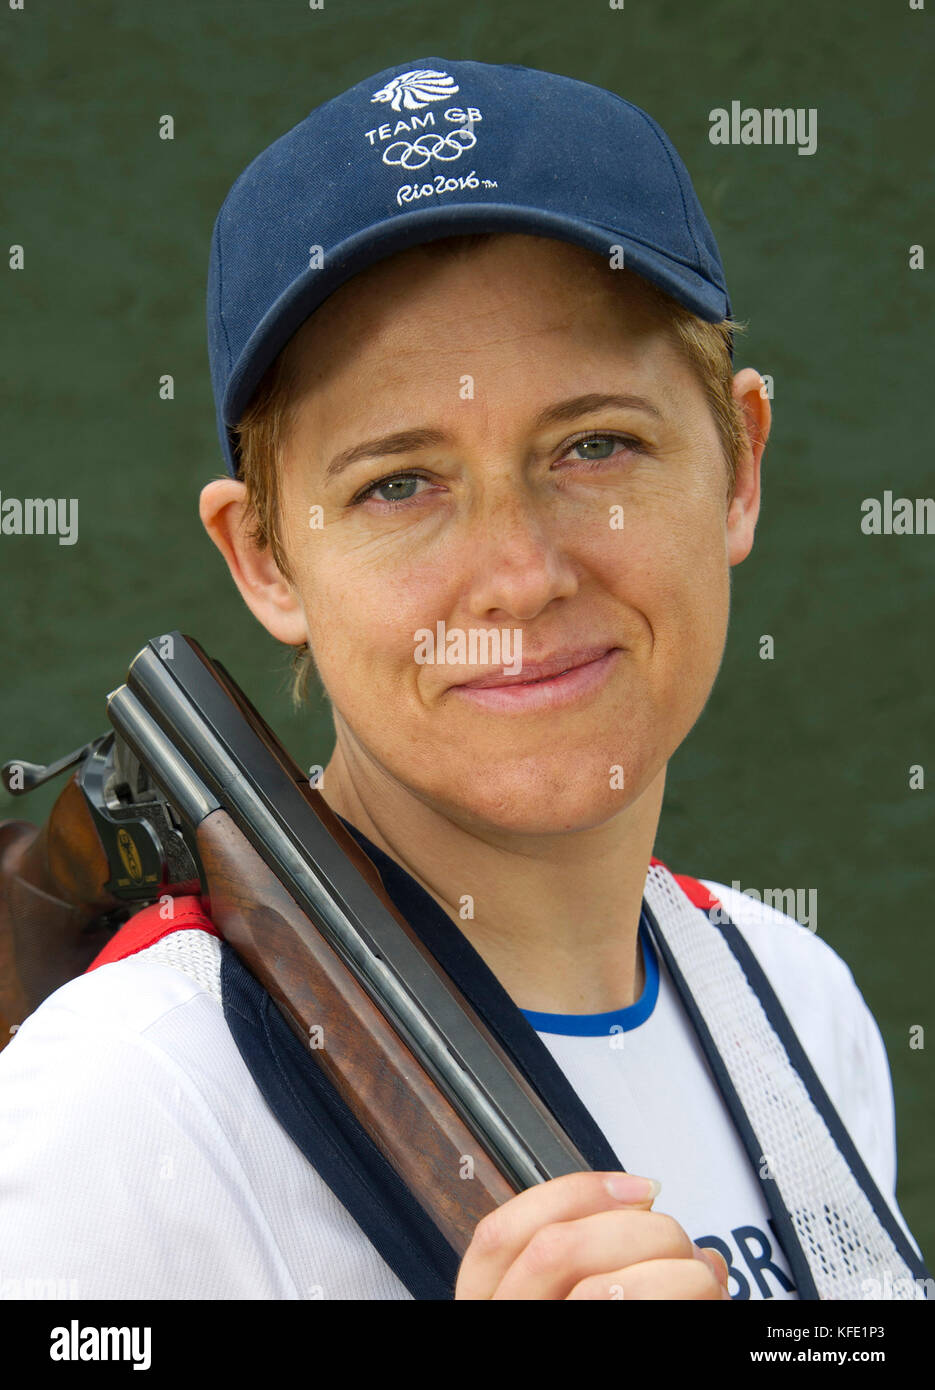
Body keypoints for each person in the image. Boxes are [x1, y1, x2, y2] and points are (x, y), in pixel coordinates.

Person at [0, 57, 927, 1302]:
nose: (519, 574)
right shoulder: (126, 1098)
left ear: (739, 467)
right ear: (263, 557)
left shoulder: (792, 998)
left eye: (595, 445)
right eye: (399, 483)